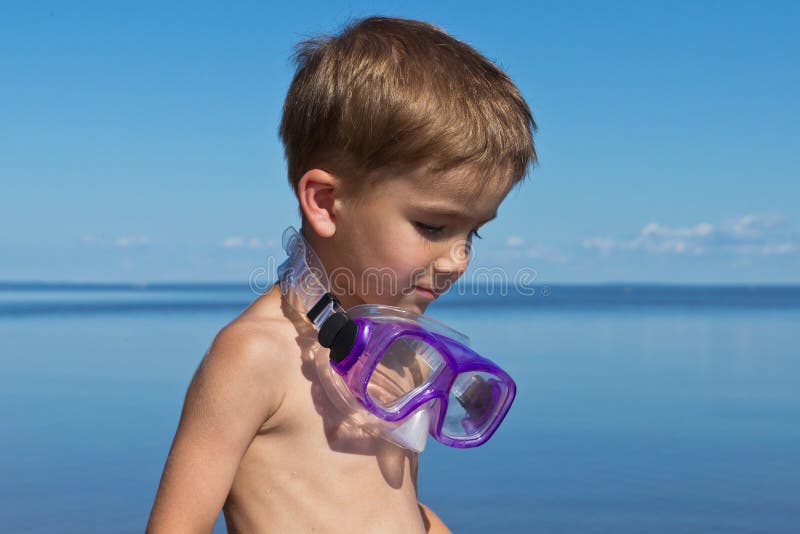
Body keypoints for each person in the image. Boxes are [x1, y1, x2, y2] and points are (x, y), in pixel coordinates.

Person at [146, 15, 536, 533]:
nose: (458, 260)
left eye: (474, 233)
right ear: (327, 203)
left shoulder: (405, 351)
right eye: (434, 225)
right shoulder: (256, 356)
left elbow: (386, 504)